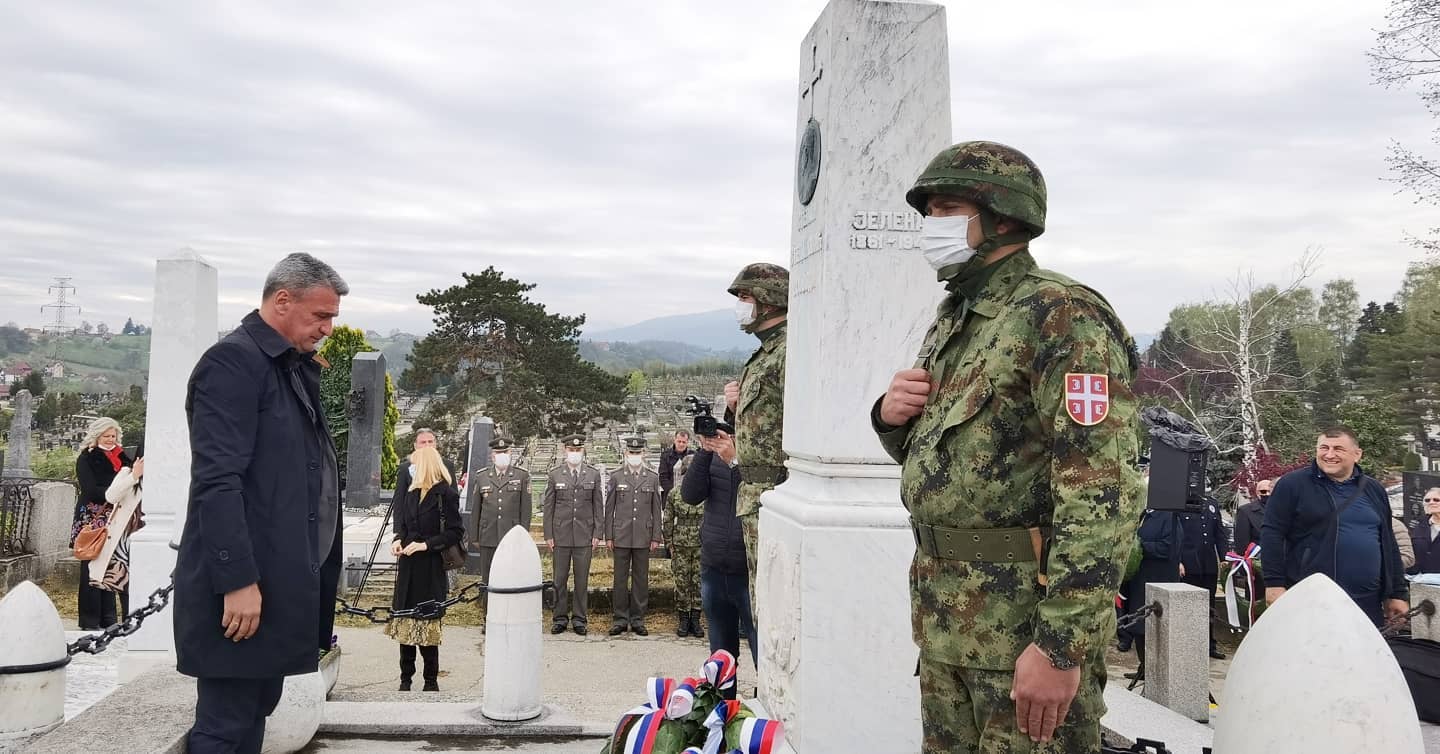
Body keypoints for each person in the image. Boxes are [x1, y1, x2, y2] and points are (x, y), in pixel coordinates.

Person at [872, 141, 1142, 750]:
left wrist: (1060, 645)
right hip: (949, 622)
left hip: (1024, 628)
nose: (931, 226)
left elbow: (1103, 489)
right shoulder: (957, 318)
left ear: (1003, 217)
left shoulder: (1059, 314)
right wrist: (892, 419)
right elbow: (954, 465)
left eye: (945, 208)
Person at [175, 252, 347, 753]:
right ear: (282, 299)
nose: (328, 328)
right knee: (227, 723)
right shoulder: (233, 362)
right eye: (321, 315)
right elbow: (218, 480)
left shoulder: (287, 367)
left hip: (275, 578)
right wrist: (237, 582)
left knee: (255, 710)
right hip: (244, 586)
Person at [1262, 426, 1408, 628]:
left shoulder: (1374, 490)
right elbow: (1272, 533)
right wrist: (1274, 584)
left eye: (1338, 448)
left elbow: (1388, 543)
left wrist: (1397, 593)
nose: (1329, 454)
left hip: (1367, 601)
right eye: (1324, 448)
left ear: (1357, 454)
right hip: (1311, 598)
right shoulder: (1292, 485)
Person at [723, 262, 789, 614]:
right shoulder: (765, 354)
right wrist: (734, 409)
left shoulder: (788, 351)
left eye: (746, 296)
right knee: (763, 603)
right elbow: (761, 422)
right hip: (756, 497)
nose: (741, 305)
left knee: (776, 607)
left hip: (775, 493)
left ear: (769, 300)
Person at [385, 446, 464, 691]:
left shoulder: (446, 495)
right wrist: (398, 540)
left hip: (430, 567)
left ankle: (431, 680)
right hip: (408, 566)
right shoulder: (411, 492)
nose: (411, 469)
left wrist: (425, 545)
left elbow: (455, 532)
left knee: (427, 628)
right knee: (405, 625)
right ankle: (405, 678)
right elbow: (405, 525)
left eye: (415, 464)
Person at [682, 423, 757, 675]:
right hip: (714, 567)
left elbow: (755, 493)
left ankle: (766, 709)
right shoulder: (711, 458)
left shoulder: (758, 457)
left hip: (748, 570)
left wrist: (734, 460)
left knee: (762, 652)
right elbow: (690, 495)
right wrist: (705, 451)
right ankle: (722, 710)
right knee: (720, 660)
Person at [72, 417, 141, 627]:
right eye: (107, 436)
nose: (111, 439)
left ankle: (109, 618)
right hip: (94, 514)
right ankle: (90, 618)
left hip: (118, 515)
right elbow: (90, 488)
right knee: (91, 563)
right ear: (97, 436)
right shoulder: (87, 457)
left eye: (113, 436)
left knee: (110, 563)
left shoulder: (123, 457)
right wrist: (114, 493)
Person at [543, 434, 603, 636]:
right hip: (560, 536)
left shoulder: (593, 475)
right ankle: (559, 618)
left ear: (583, 451)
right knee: (559, 579)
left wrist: (597, 533)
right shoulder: (555, 475)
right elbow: (549, 507)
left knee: (581, 580)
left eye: (578, 450)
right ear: (565, 451)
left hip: (584, 536)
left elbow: (598, 506)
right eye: (571, 450)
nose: (575, 453)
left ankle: (579, 619)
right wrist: (548, 534)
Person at [606, 437, 664, 636]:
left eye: (638, 453)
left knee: (641, 579)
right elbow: (609, 508)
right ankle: (620, 619)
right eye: (631, 453)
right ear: (625, 454)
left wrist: (656, 535)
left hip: (643, 535)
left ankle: (638, 619)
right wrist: (609, 535)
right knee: (620, 579)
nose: (634, 457)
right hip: (621, 534)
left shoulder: (652, 477)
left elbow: (657, 509)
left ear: (644, 454)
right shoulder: (616, 477)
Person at [1120, 509, 1182, 678]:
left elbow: (1168, 547)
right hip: (1138, 582)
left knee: (1152, 629)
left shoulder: (1168, 516)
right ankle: (1144, 668)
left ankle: (1156, 672)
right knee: (1138, 627)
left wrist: (1139, 545)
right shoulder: (1141, 514)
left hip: (1157, 580)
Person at [469, 435, 532, 584]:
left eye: (505, 452)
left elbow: (526, 510)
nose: (502, 455)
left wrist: (523, 535)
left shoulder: (522, 476)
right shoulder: (482, 476)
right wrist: (474, 536)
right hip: (488, 534)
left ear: (511, 454)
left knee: (511, 574)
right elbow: (476, 509)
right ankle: (488, 606)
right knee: (487, 576)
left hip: (511, 534)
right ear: (492, 456)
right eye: (498, 453)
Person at [1177, 495, 1227, 660]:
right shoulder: (1180, 501)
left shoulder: (1211, 503)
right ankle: (1187, 645)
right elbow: (1176, 534)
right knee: (1187, 606)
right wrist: (1178, 561)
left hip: (1208, 564)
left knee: (1209, 606)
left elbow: (1219, 533)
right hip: (1188, 563)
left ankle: (1208, 645)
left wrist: (1225, 557)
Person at [667, 451, 705, 638]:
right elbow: (668, 519)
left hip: (701, 543)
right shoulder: (675, 494)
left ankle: (696, 619)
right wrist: (669, 543)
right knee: (682, 581)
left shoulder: (707, 493)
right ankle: (683, 618)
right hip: (680, 543)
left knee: (698, 581)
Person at [395, 428, 457, 499]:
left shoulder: (447, 465)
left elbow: (454, 497)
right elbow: (399, 498)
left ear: (435, 444)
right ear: (415, 446)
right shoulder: (405, 468)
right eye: (423, 442)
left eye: (430, 442)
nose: (427, 445)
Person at [1233, 479, 1273, 552]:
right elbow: (1242, 543)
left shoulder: (1282, 509)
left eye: (1270, 491)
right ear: (1257, 493)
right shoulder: (1245, 511)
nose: (1268, 494)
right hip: (1257, 558)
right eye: (1264, 491)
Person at [1409, 487, 1440, 575]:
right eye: (1427, 500)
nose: (1431, 502)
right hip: (1421, 580)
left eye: (1436, 500)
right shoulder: (1420, 525)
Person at [658, 430, 693, 501]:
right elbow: (663, 477)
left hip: (688, 496)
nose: (681, 444)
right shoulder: (665, 455)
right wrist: (674, 492)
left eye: (684, 442)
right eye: (679, 441)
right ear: (674, 440)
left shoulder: (693, 456)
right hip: (670, 496)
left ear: (688, 442)